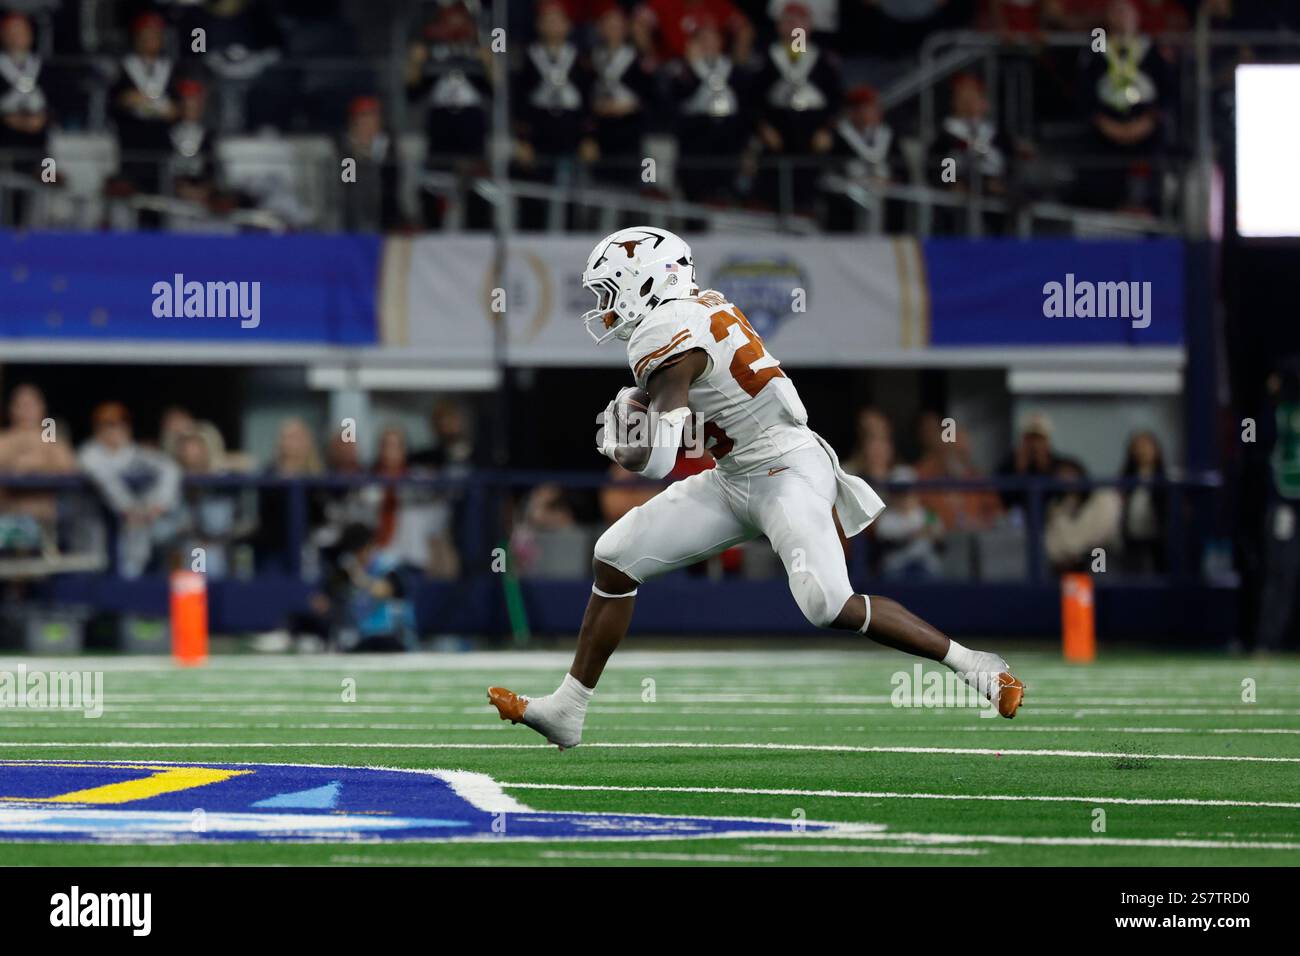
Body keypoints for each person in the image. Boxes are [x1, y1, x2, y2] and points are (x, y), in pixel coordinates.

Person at [488, 226, 1023, 748]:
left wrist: (616, 444)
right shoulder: (700, 308)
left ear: (644, 282)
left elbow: (655, 462)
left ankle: (974, 663)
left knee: (827, 604)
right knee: (615, 555)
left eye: (609, 293)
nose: (604, 309)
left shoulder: (664, 334)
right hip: (734, 473)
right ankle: (568, 708)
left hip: (787, 470)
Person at [78, 401, 182, 578]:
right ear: (97, 429)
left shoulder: (135, 452)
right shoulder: (89, 453)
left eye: (120, 424)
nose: (115, 430)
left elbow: (170, 468)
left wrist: (160, 503)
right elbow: (105, 479)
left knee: (136, 572)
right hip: (94, 533)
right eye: (108, 425)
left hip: (134, 531)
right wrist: (128, 507)